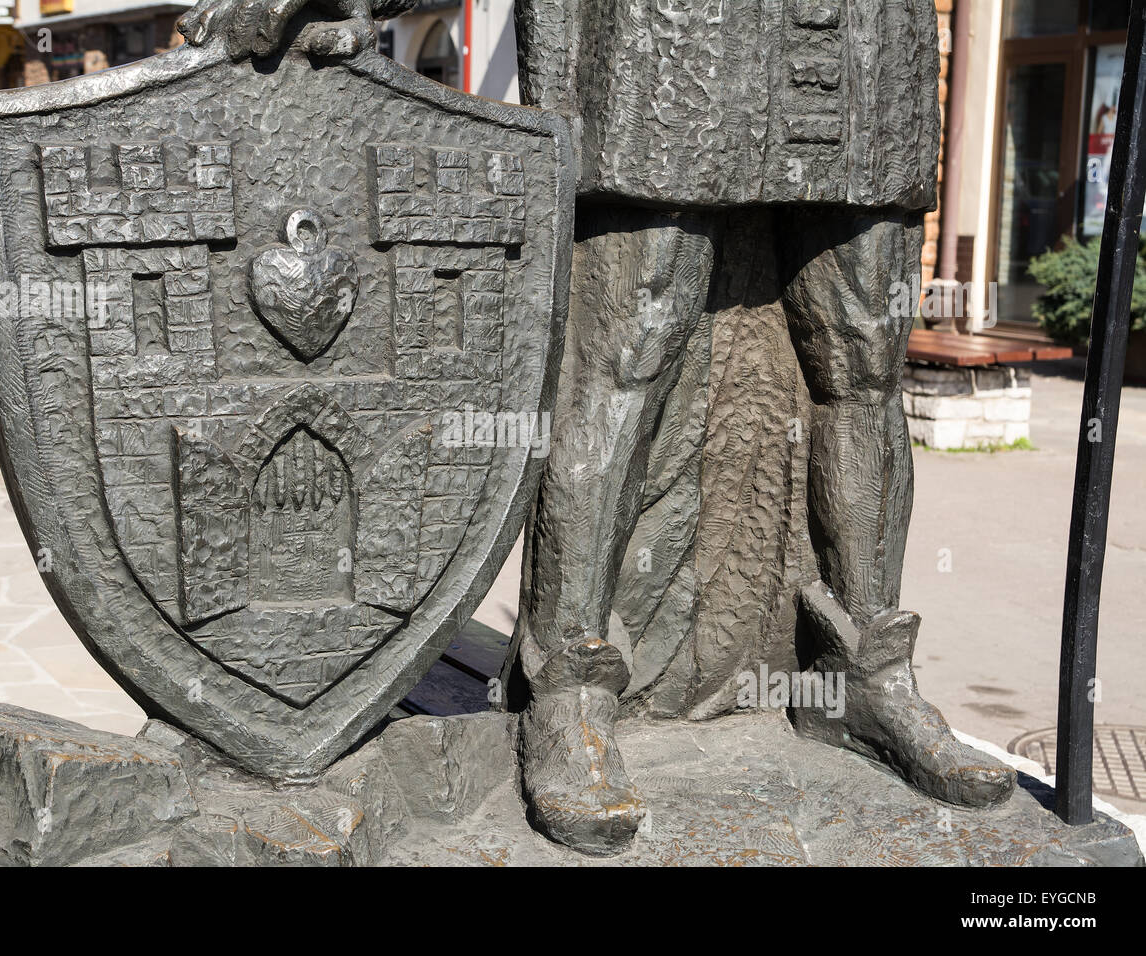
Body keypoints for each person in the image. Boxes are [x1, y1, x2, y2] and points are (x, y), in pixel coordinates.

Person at [177, 0, 1017, 857]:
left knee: (867, 344)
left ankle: (866, 669)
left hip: (863, 33)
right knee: (630, 339)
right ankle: (569, 689)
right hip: (678, 36)